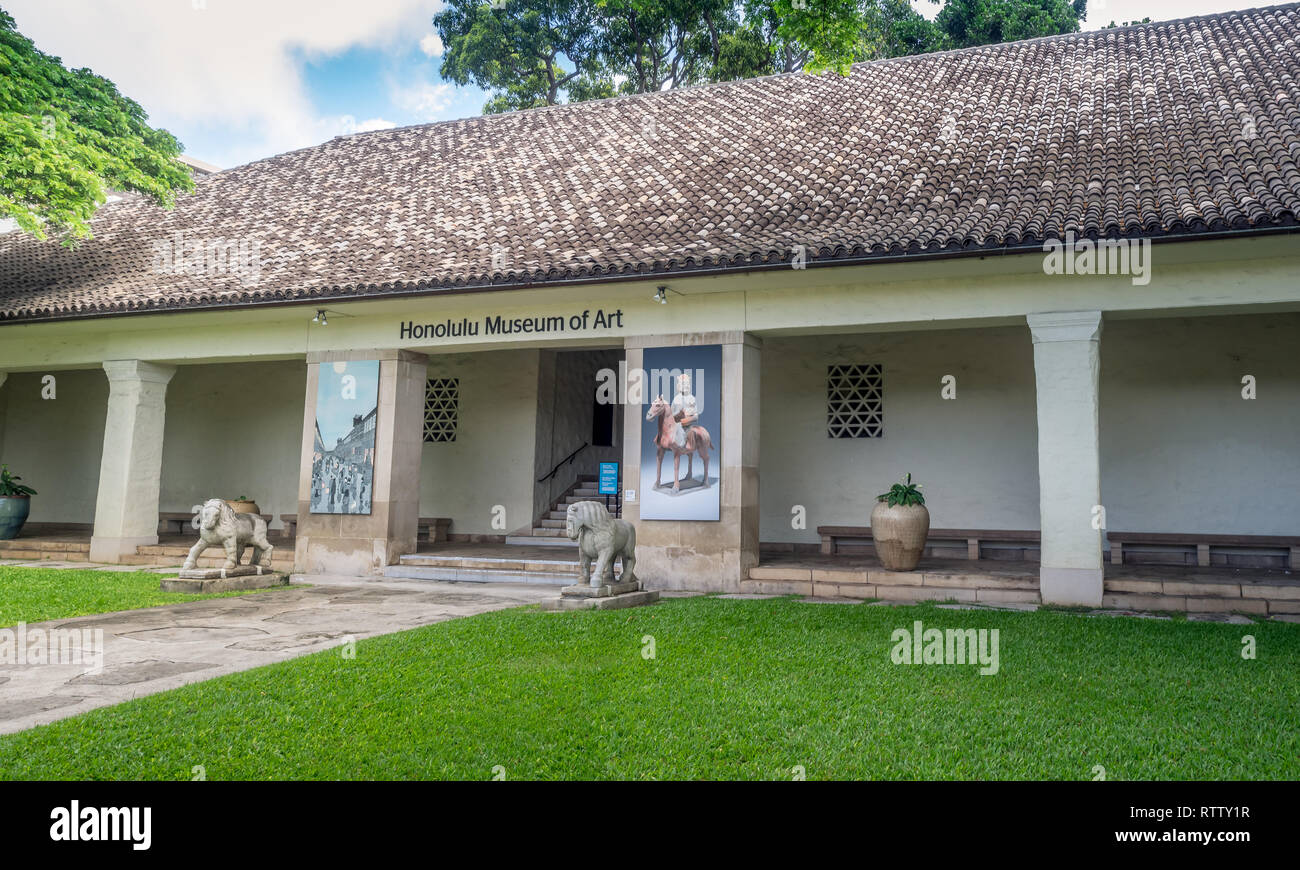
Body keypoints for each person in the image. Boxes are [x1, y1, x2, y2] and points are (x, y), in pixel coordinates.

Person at [671, 371, 698, 449]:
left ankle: (684, 444)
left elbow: (696, 416)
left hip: (687, 425)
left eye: (687, 383)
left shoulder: (692, 399)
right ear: (679, 385)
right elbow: (671, 415)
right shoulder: (676, 399)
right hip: (676, 425)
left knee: (684, 433)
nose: (685, 385)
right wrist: (677, 416)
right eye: (683, 383)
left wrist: (686, 419)